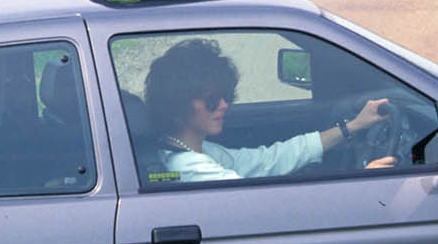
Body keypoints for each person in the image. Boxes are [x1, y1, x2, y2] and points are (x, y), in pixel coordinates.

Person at [143, 38, 397, 183]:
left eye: (226, 96)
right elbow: (267, 203)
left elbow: (268, 160)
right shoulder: (191, 168)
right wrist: (361, 183)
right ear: (177, 103)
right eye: (211, 100)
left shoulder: (194, 150)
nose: (224, 105)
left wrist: (351, 127)